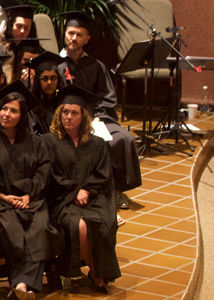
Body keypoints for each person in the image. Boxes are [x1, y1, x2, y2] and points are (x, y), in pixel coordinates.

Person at [0, 85, 53, 300]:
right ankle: (23, 285)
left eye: (13, 110)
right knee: (12, 232)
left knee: (39, 230)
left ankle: (20, 285)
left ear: (23, 115)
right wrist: (2, 196)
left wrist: (30, 196)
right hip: (1, 201)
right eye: (4, 109)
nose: (6, 114)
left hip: (32, 200)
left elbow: (43, 171)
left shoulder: (37, 141)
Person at [57, 11, 143, 208]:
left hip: (95, 120)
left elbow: (108, 99)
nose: (74, 38)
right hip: (65, 121)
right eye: (71, 33)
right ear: (64, 34)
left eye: (79, 35)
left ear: (87, 39)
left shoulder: (96, 66)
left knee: (123, 138)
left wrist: (97, 119)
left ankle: (116, 191)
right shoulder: (56, 64)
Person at [45, 86, 119, 292]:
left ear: (83, 116)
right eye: (65, 112)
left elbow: (103, 174)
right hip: (62, 200)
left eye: (74, 113)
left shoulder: (97, 144)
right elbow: (50, 173)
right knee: (79, 226)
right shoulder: (49, 141)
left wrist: (87, 190)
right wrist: (73, 190)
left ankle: (97, 273)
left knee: (102, 223)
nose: (68, 117)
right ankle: (97, 273)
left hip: (93, 199)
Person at [26, 53, 64, 134]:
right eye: (44, 78)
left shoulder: (64, 103)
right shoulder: (31, 107)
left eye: (53, 78)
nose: (49, 82)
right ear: (38, 81)